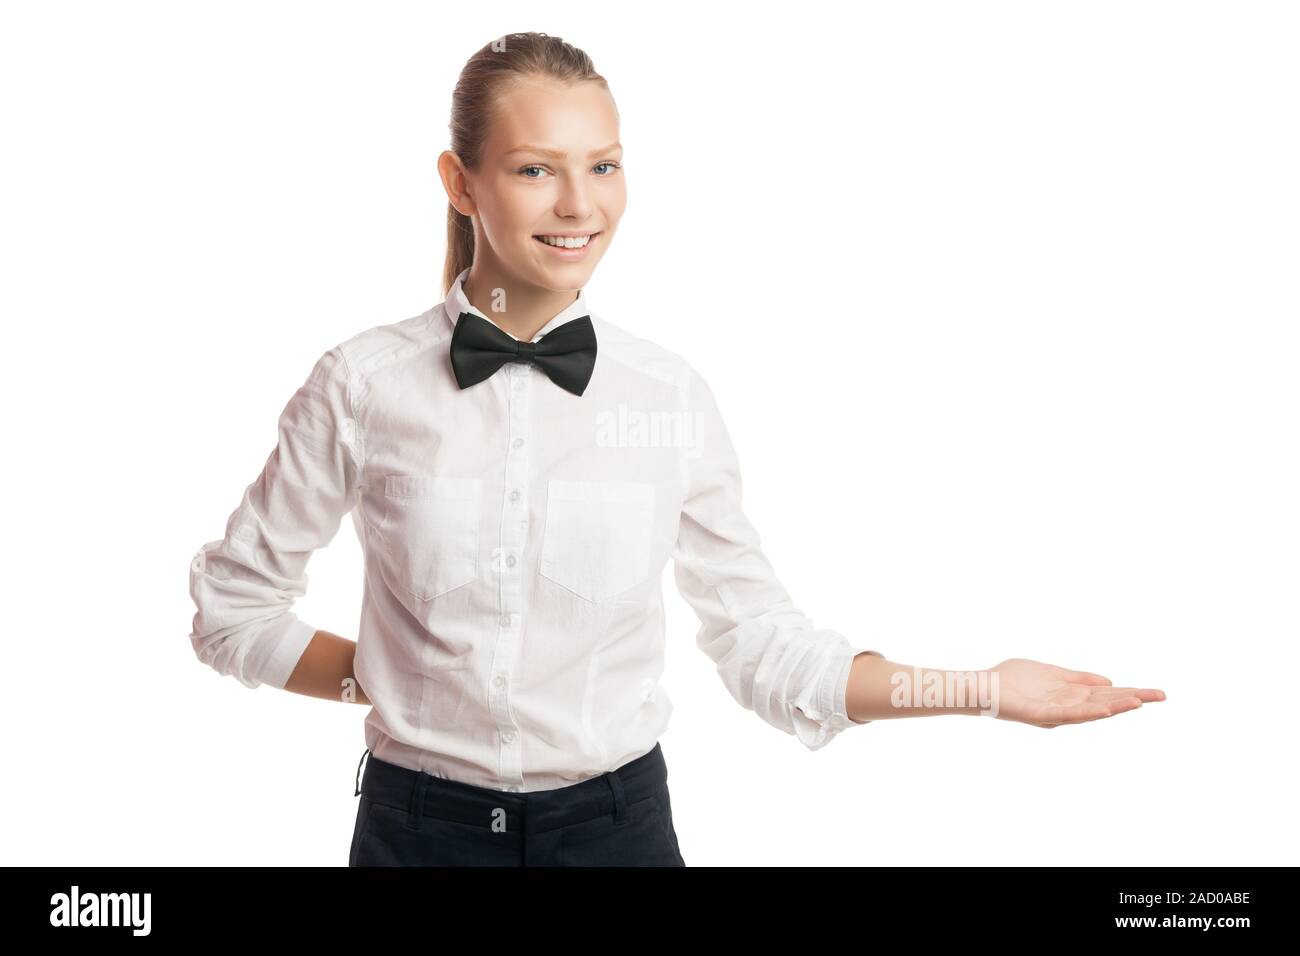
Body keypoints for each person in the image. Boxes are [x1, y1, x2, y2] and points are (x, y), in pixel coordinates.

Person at [186, 31, 1166, 867]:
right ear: (460, 181)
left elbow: (765, 649)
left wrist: (981, 688)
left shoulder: (668, 398)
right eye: (536, 168)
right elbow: (232, 609)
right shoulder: (362, 383)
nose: (580, 204)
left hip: (617, 831)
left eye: (603, 164)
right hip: (415, 832)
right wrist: (399, 680)